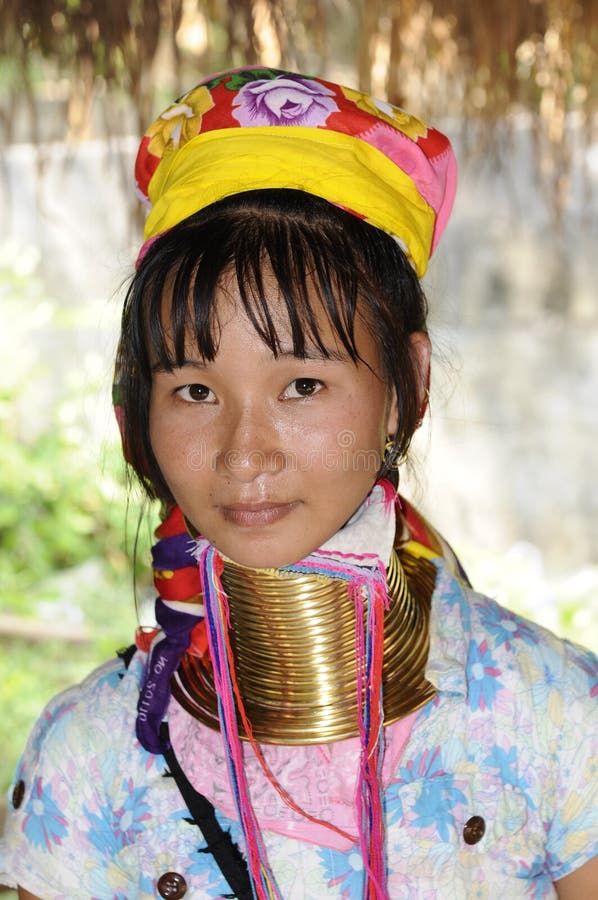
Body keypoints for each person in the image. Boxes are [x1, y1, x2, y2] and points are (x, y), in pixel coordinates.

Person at [1, 67, 597, 900]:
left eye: (303, 385)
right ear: (137, 409)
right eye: (195, 391)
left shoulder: (552, 717)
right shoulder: (92, 757)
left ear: (407, 387)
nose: (244, 455)